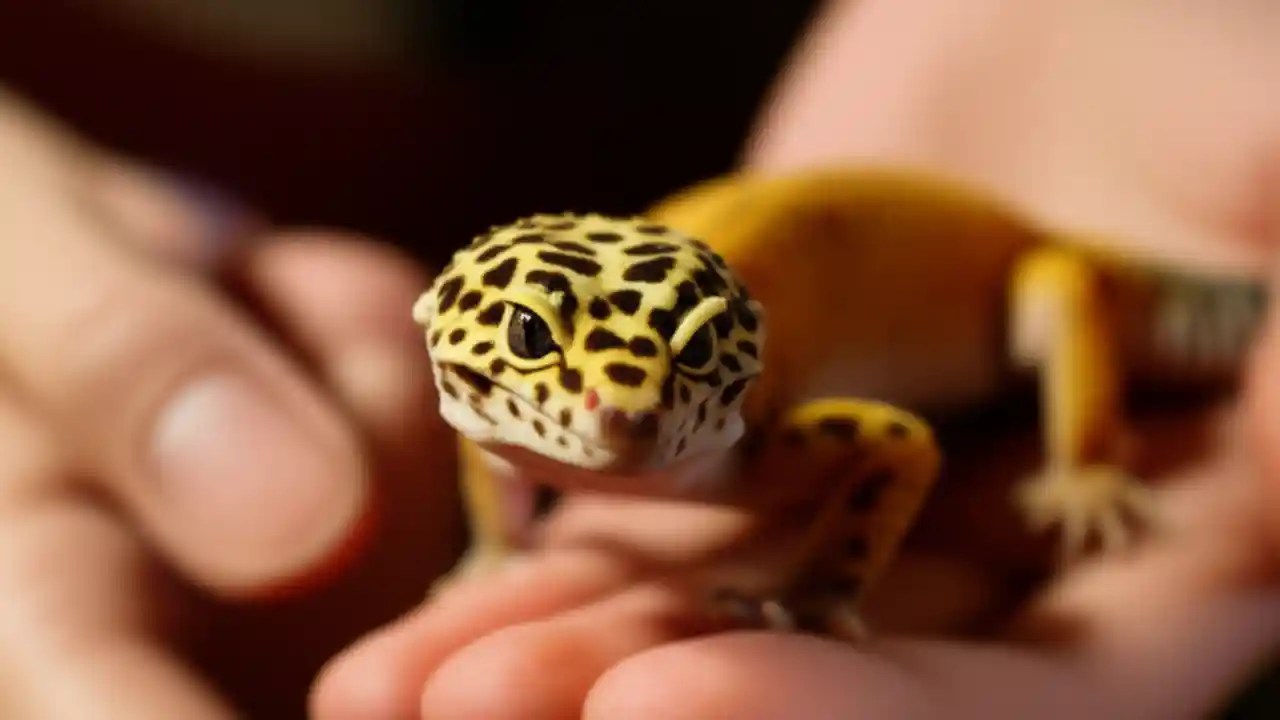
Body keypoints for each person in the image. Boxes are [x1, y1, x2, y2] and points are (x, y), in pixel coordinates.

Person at [1, 0, 1278, 718]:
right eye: (537, 379)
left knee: (1052, 302)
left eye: (665, 382)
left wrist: (837, 585)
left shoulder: (767, 439)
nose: (609, 418)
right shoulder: (489, 404)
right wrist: (499, 550)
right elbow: (482, 425)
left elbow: (894, 444)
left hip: (1045, 275)